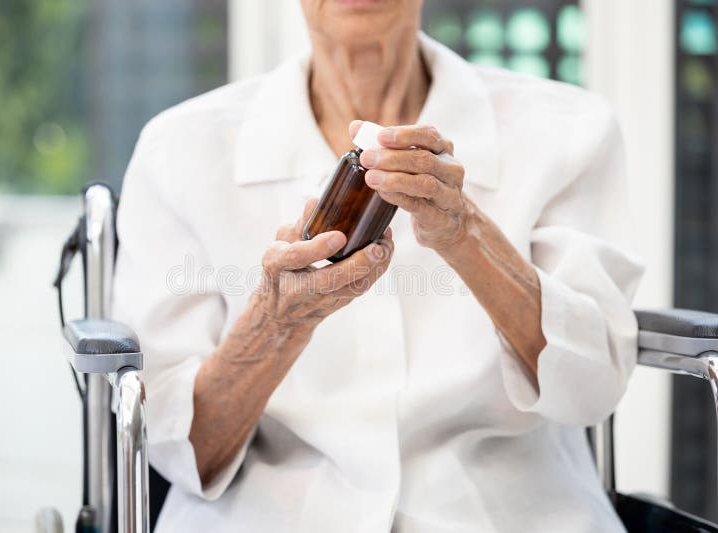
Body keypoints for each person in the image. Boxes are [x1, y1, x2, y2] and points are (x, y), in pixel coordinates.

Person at [112, 1, 643, 531]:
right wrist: (274, 325)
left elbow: (594, 384)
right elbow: (175, 447)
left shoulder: (568, 130)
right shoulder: (177, 151)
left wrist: (467, 234)